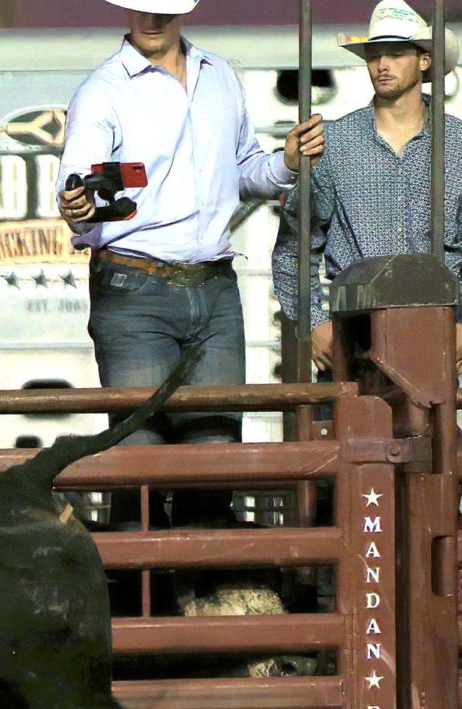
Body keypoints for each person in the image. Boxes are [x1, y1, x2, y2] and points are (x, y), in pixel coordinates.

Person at [57, 0, 324, 531]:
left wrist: (286, 163)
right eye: (141, 9)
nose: (151, 19)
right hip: (134, 284)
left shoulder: (220, 76)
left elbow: (244, 171)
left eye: (162, 9)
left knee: (215, 451)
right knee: (139, 454)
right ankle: (137, 603)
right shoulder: (101, 92)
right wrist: (77, 205)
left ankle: (205, 594)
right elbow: (79, 188)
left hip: (214, 285)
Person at [272, 0, 462, 373]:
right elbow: (294, 246)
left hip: (438, 319)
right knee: (353, 425)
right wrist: (315, 323)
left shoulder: (457, 142)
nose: (382, 65)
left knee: (432, 428)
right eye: (374, 55)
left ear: (424, 61)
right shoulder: (334, 143)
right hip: (355, 327)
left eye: (395, 53)